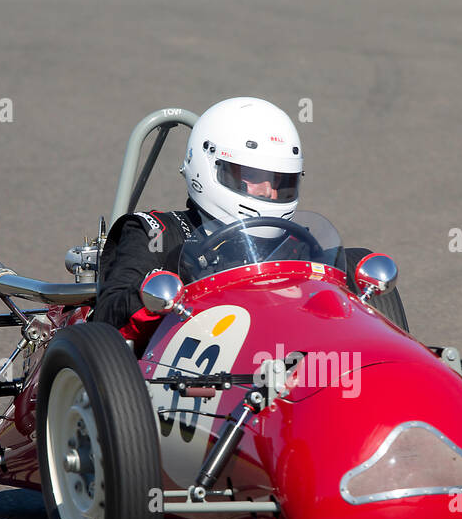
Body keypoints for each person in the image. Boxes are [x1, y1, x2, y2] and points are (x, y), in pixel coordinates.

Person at [95, 96, 305, 343]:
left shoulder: (294, 245)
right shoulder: (157, 234)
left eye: (280, 179)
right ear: (208, 168)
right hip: (173, 373)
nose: (269, 191)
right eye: (252, 175)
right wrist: (175, 278)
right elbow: (106, 322)